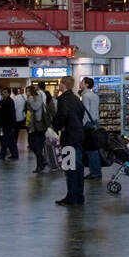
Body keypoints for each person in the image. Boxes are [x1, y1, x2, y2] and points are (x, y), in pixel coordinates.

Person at [54, 76, 86, 206]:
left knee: (69, 167)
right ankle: (79, 196)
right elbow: (81, 113)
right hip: (78, 136)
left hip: (69, 137)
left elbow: (62, 114)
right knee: (78, 167)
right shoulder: (76, 99)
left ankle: (71, 197)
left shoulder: (63, 99)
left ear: (63, 85)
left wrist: (57, 126)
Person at [79, 77, 101, 179]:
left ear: (87, 85)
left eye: (82, 82)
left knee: (90, 149)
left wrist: (82, 125)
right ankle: (96, 171)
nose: (80, 84)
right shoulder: (95, 96)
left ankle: (95, 172)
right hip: (95, 122)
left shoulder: (85, 96)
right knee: (94, 148)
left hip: (87, 124)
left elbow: (85, 112)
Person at [26, 85, 51, 172]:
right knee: (33, 145)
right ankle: (42, 161)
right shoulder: (32, 98)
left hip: (39, 126)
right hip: (33, 126)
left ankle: (40, 164)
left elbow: (35, 107)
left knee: (37, 146)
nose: (27, 93)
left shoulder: (37, 98)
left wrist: (30, 98)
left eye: (28, 91)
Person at [0, 85, 19, 160]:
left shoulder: (10, 102)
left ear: (8, 93)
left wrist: (0, 108)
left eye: (5, 92)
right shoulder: (2, 102)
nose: (3, 94)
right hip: (3, 125)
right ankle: (14, 154)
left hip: (8, 125)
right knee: (10, 140)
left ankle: (2, 154)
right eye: (2, 93)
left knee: (5, 140)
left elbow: (8, 113)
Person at [12, 87, 27, 154]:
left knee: (16, 131)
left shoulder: (16, 98)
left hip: (18, 117)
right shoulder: (26, 97)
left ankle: (14, 144)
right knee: (28, 130)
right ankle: (30, 144)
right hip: (25, 116)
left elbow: (14, 108)